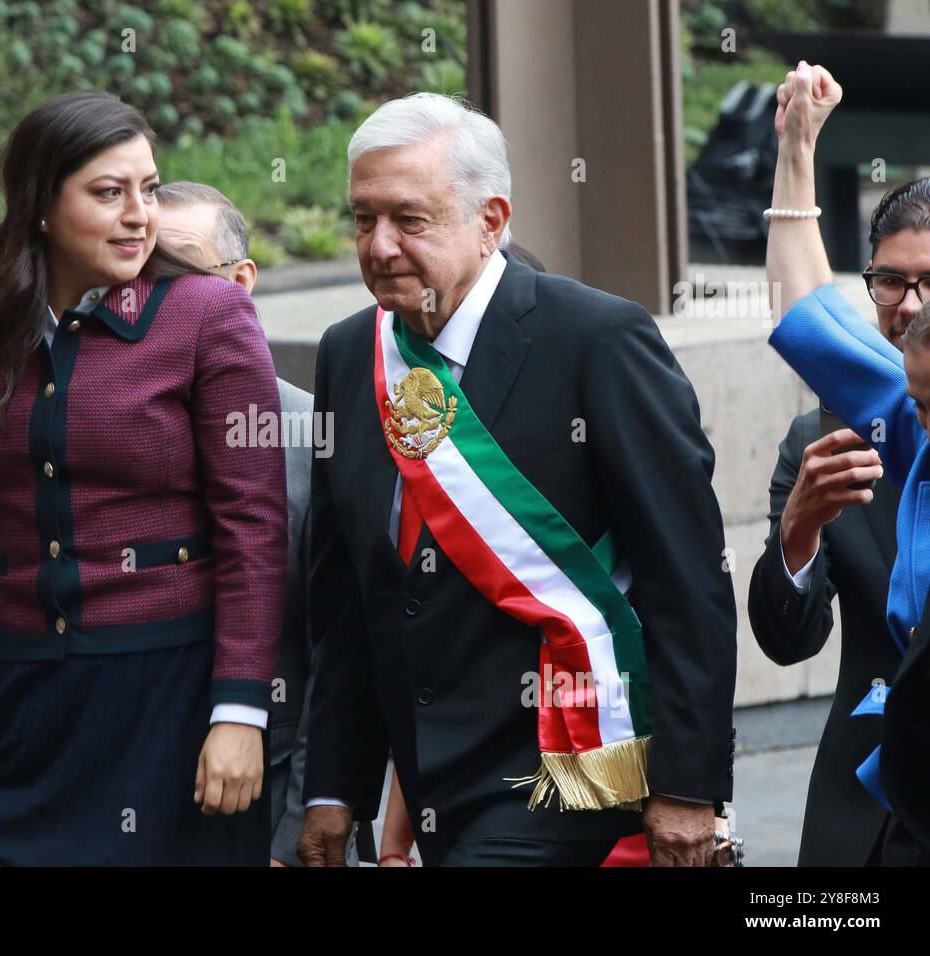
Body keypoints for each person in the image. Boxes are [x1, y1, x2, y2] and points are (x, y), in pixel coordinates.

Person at [297, 92, 738, 867]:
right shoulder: (347, 355)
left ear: (491, 221)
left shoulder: (595, 340)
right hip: (431, 780)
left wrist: (691, 785)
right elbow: (348, 602)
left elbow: (688, 576)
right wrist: (334, 790)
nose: (380, 245)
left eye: (410, 219)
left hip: (566, 771)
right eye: (364, 219)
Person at [0, 91, 286, 865]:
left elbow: (256, 528)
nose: (139, 213)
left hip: (172, 700)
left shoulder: (208, 315)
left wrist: (241, 710)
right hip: (23, 697)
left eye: (148, 188)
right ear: (41, 205)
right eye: (109, 193)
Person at [153, 179, 360, 867]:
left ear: (241, 283)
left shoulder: (308, 433)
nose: (151, 295)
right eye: (137, 272)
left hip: (265, 793)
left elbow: (339, 646)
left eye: (178, 271)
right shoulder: (93, 426)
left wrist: (299, 825)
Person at [765, 60, 930, 865]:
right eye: (894, 284)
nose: (913, 311)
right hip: (876, 812)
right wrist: (798, 147)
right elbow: (805, 310)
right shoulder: (895, 416)